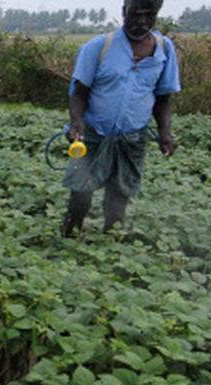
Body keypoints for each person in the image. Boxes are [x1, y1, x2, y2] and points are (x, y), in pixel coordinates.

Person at [61, 0, 180, 238]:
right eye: (136, 14)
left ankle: (111, 245)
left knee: (119, 195)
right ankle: (70, 235)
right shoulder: (98, 47)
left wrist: (164, 132)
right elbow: (79, 91)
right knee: (81, 192)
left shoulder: (164, 50)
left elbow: (163, 98)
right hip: (93, 134)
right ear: (124, 12)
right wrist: (77, 122)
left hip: (132, 138)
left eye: (149, 15)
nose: (142, 21)